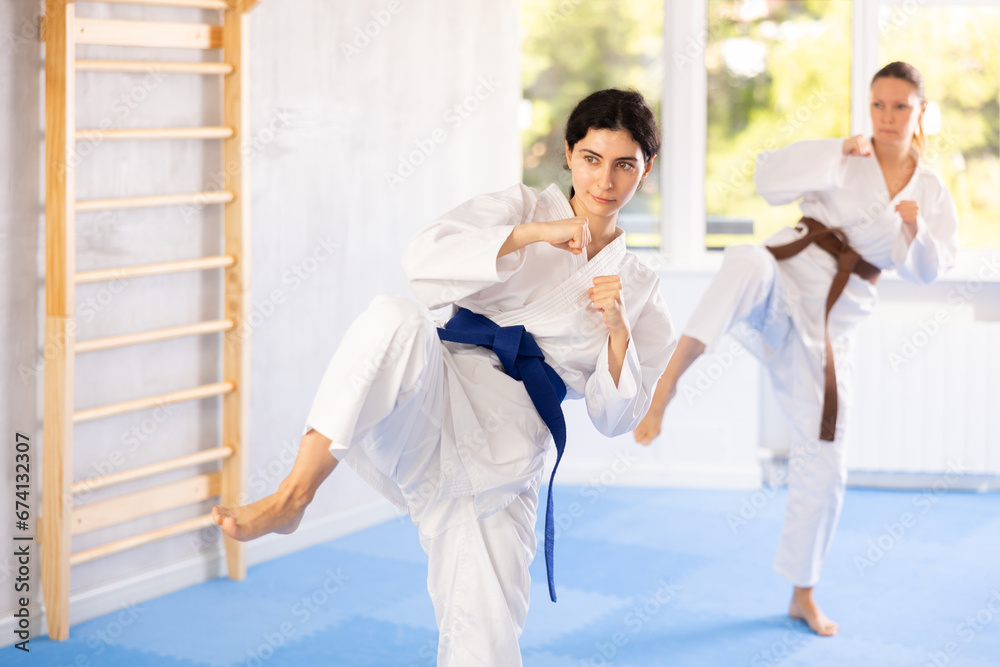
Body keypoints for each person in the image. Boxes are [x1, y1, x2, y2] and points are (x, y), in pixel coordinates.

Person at [212, 88, 677, 666]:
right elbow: (424, 261)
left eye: (624, 164)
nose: (604, 180)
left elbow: (616, 418)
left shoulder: (642, 290)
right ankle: (293, 495)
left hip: (506, 453)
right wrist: (533, 234)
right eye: (591, 158)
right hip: (437, 395)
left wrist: (617, 332)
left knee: (486, 641)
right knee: (394, 316)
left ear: (646, 169)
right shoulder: (522, 207)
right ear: (569, 154)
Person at [633, 61, 958, 636]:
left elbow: (931, 271)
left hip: (831, 328)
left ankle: (802, 593)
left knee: (827, 459)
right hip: (784, 280)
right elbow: (768, 179)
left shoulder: (929, 190)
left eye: (900, 106)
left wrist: (917, 229)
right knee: (744, 259)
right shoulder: (847, 156)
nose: (886, 117)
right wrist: (834, 148)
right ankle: (670, 381)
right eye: (878, 104)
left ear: (921, 112)